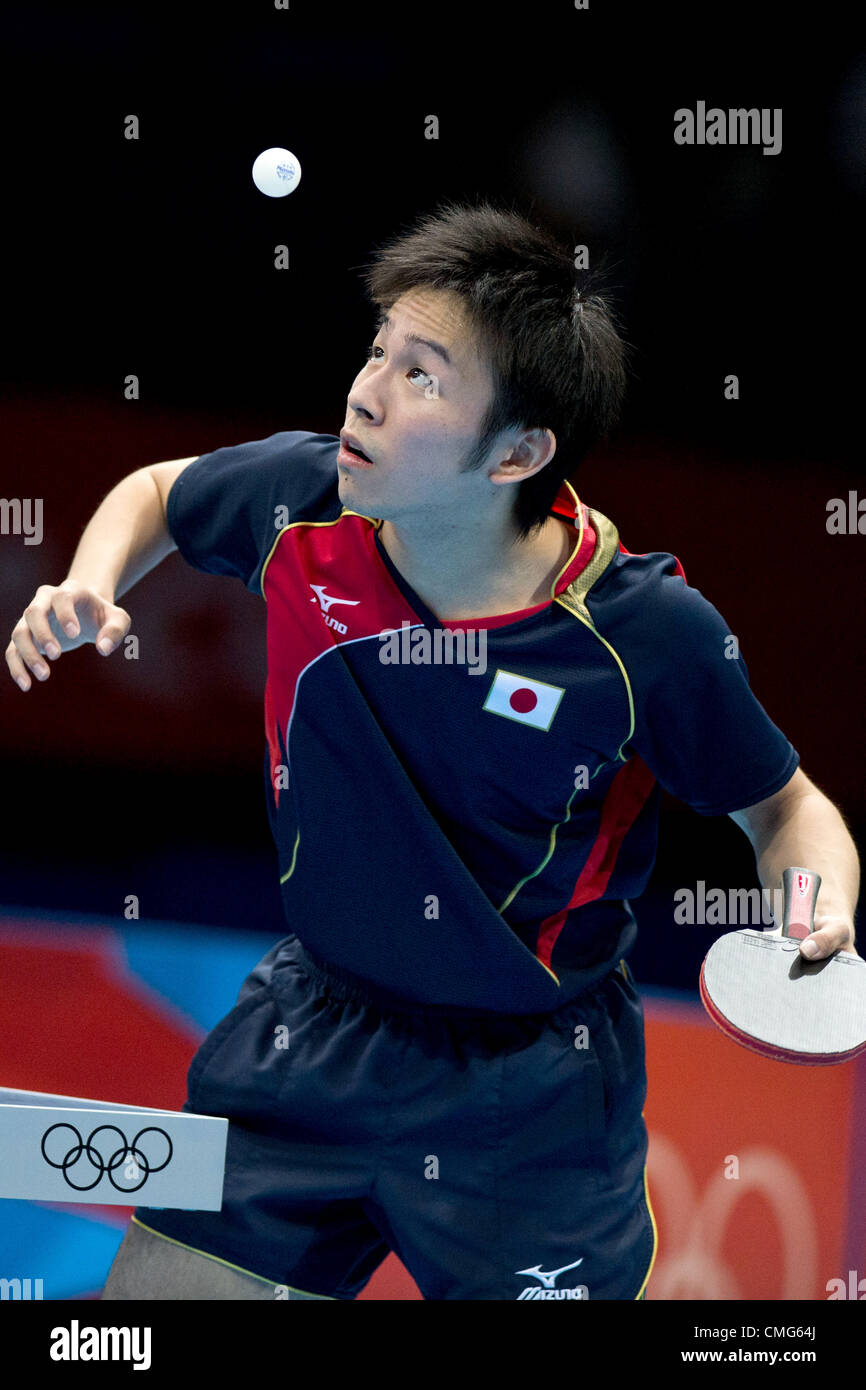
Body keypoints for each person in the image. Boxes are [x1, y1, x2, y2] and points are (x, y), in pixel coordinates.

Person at [6, 200, 859, 1301]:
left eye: (421, 376)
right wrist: (88, 581)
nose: (364, 389)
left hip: (530, 1097)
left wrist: (816, 909)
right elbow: (161, 491)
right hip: (309, 1036)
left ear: (517, 450)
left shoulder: (640, 633)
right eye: (376, 350)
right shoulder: (303, 508)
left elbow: (782, 808)